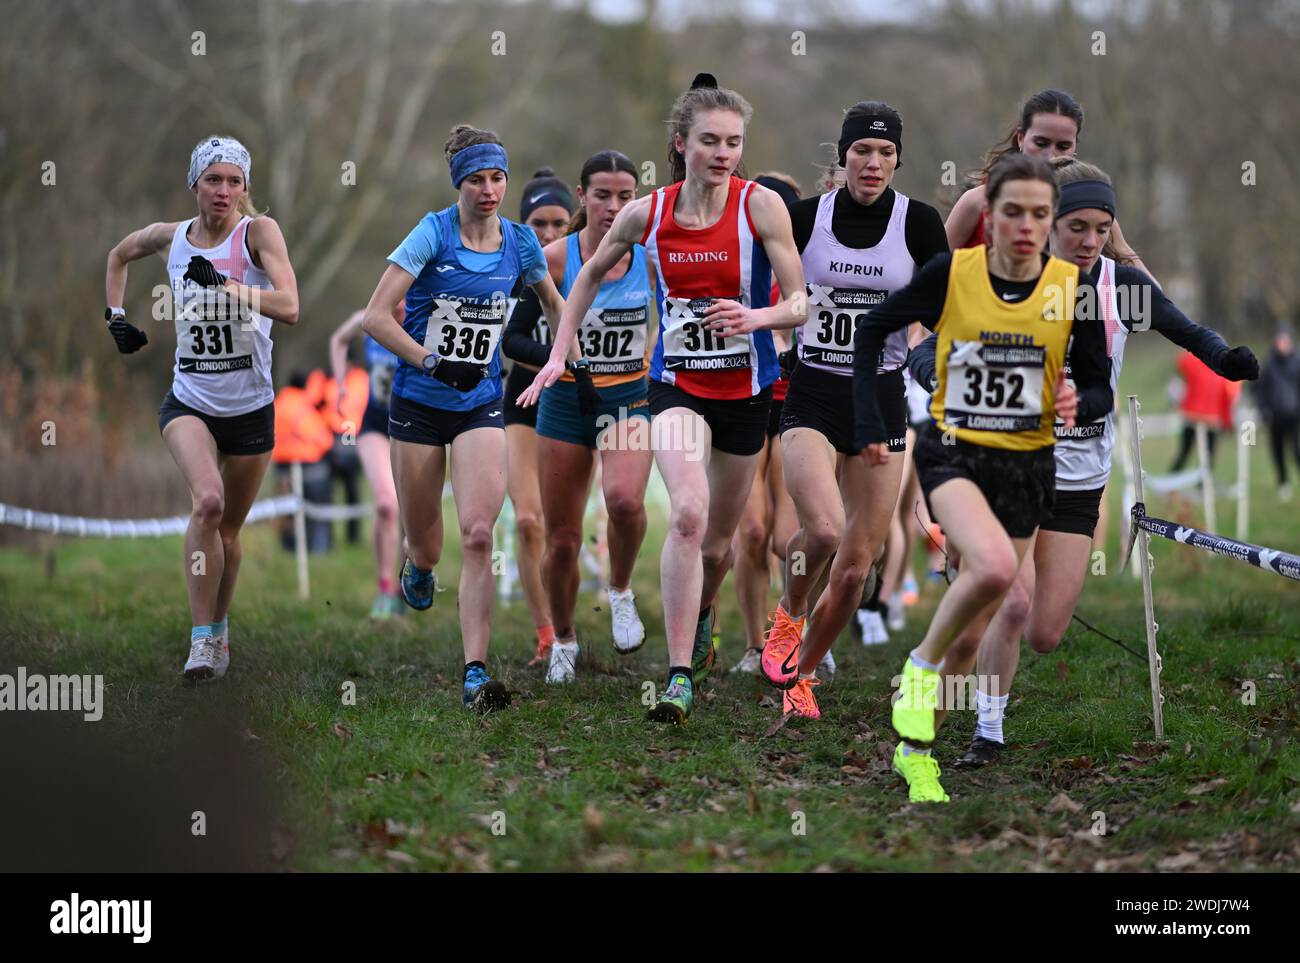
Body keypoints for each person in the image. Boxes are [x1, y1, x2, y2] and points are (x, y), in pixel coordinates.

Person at [928, 160, 1258, 768]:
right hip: (1009, 466)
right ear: (1049, 222)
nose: (1088, 241)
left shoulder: (1120, 285)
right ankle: (986, 731)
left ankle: (971, 589)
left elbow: (1185, 329)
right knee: (1014, 602)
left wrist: (1227, 359)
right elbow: (932, 342)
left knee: (1047, 631)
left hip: (1082, 475)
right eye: (1076, 226)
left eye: (1101, 229)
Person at [518, 73, 807, 724]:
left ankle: (703, 617)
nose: (724, 152)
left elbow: (800, 300)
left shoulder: (761, 207)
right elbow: (585, 276)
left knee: (719, 544)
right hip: (675, 386)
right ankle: (679, 677)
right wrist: (560, 351)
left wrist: (756, 320)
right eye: (711, 140)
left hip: (747, 390)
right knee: (686, 514)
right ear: (683, 144)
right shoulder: (647, 213)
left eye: (734, 141)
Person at [853, 152, 1113, 802]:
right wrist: (867, 421)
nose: (1026, 226)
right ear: (988, 217)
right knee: (995, 570)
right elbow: (872, 330)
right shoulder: (950, 274)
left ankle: (917, 754)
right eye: (1012, 213)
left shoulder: (1070, 288)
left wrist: (1080, 401)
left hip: (1028, 467)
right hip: (955, 456)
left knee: (975, 631)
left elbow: (1102, 383)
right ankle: (917, 667)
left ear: (1051, 222)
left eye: (1039, 214)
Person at [362, 125, 565, 712]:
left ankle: (475, 671)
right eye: (477, 179)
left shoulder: (521, 242)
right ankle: (417, 565)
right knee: (428, 546)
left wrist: (561, 358)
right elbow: (377, 317)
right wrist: (431, 360)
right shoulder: (432, 233)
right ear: (459, 183)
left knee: (478, 533)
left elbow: (555, 304)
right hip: (420, 405)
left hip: (480, 402)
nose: (489, 189)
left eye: (498, 177)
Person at [758, 102, 949, 723]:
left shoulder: (918, 222)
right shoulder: (805, 218)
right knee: (825, 532)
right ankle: (788, 613)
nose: (873, 163)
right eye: (862, 152)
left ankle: (802, 673)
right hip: (813, 390)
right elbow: (768, 292)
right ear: (842, 157)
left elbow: (947, 308)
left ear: (898, 160)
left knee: (854, 571)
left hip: (884, 397)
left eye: (886, 153)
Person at [104, 135, 300, 681]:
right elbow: (118, 255)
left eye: (235, 181)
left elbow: (290, 306)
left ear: (245, 188)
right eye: (213, 179)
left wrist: (233, 287)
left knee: (230, 535)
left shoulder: (257, 233)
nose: (224, 191)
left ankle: (218, 631)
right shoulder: (171, 239)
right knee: (207, 503)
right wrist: (115, 316)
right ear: (194, 183)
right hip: (189, 401)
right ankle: (200, 643)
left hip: (251, 409)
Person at [506, 150, 654, 682]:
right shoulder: (554, 258)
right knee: (562, 539)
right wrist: (558, 358)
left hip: (628, 398)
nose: (614, 207)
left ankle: (619, 590)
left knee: (625, 502)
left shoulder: (650, 254)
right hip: (566, 400)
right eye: (603, 195)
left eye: (625, 196)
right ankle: (564, 639)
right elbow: (513, 336)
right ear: (582, 196)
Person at [501, 169, 575, 663]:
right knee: (529, 521)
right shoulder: (507, 265)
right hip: (522, 401)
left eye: (558, 223)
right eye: (537, 224)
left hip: (574, 406)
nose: (548, 235)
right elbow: (507, 343)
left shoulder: (591, 266)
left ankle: (570, 623)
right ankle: (546, 633)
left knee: (560, 528)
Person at [729, 172, 801, 678]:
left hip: (796, 410)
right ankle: (755, 645)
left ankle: (794, 632)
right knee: (751, 532)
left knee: (785, 541)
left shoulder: (805, 270)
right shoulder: (732, 263)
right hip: (746, 403)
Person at [329, 305, 406, 617]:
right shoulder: (369, 317)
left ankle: (406, 583)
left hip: (414, 427)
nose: (400, 306)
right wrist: (341, 384)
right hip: (374, 424)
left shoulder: (426, 316)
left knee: (408, 511)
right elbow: (338, 339)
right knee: (387, 505)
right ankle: (385, 588)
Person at [1169, 351, 1241, 473]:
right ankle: (1203, 486)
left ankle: (1171, 483)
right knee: (1209, 454)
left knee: (1185, 451)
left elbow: (1179, 369)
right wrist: (1228, 421)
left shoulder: (1192, 356)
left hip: (1192, 413)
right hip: (1211, 416)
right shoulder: (1224, 363)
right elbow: (1228, 394)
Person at [1256, 327, 1300, 501]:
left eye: (1285, 341)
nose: (1282, 345)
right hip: (1274, 415)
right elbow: (1261, 390)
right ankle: (1283, 484)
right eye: (1280, 341)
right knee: (1277, 451)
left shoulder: (1297, 363)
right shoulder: (1269, 364)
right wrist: (1263, 409)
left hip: (1293, 414)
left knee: (1296, 450)